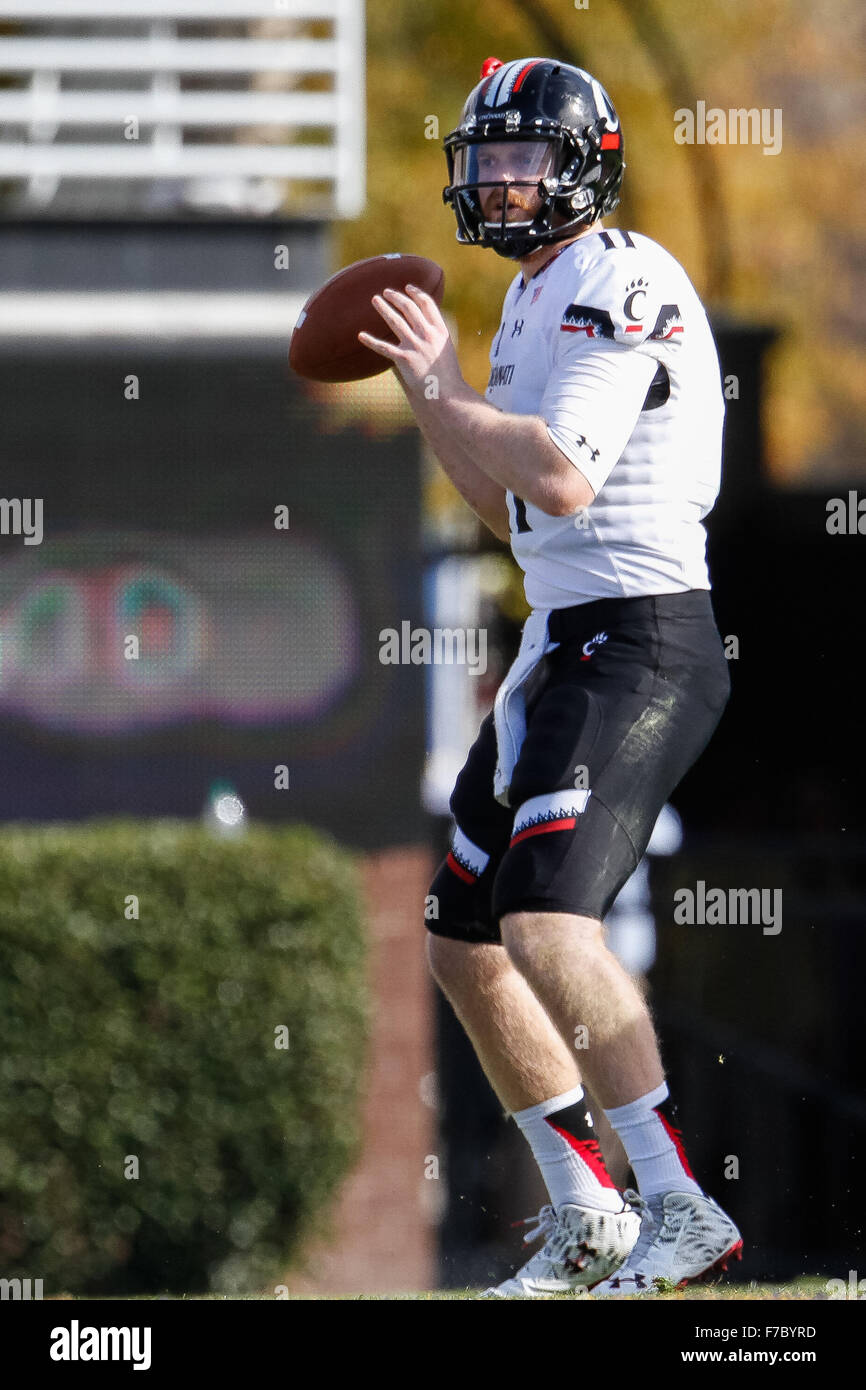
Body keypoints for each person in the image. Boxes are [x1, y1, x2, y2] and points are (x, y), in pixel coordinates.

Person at [358, 56, 743, 1298]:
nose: (500, 179)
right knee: (461, 939)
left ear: (583, 162)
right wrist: (438, 404)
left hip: (637, 640)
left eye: (524, 156)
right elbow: (506, 502)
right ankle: (585, 1211)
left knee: (543, 917)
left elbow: (565, 473)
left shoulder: (618, 279)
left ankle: (675, 1198)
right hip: (558, 640)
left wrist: (439, 387)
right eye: (486, 159)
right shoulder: (529, 295)